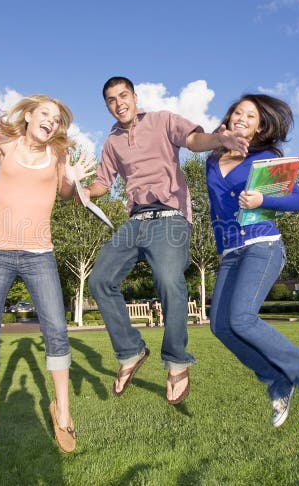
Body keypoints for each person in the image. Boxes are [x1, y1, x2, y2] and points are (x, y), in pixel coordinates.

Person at [85, 76, 248, 405]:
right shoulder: (112, 142)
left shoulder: (162, 121)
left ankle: (176, 361)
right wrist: (78, 189)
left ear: (134, 96)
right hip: (136, 220)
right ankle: (130, 351)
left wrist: (220, 138)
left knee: (168, 279)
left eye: (123, 96)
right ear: (107, 106)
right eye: (111, 100)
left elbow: (193, 140)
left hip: (170, 217)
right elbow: (102, 184)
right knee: (99, 280)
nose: (119, 104)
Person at [0, 95, 95, 469]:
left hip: (40, 255)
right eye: (46, 115)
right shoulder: (3, 140)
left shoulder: (58, 153)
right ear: (30, 114)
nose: (51, 122)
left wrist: (72, 180)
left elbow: (66, 194)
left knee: (56, 331)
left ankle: (63, 413)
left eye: (57, 119)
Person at [206, 94, 299, 432]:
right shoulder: (213, 157)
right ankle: (277, 381)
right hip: (230, 251)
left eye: (251, 115)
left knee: (242, 320)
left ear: (260, 125)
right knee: (220, 326)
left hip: (262, 244)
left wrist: (264, 199)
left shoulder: (266, 159)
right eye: (237, 112)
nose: (242, 118)